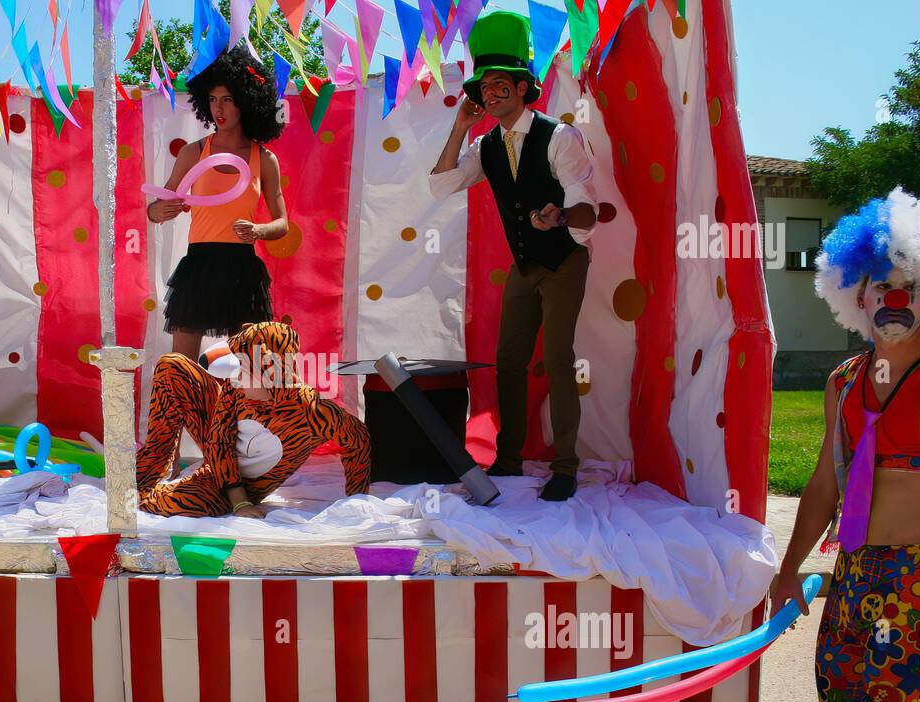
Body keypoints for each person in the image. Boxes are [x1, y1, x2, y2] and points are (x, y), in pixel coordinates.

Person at [771, 188, 920, 702]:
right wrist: (789, 568)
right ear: (856, 297)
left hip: (918, 580)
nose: (893, 298)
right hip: (852, 570)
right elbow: (823, 485)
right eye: (878, 286)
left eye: (906, 286)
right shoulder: (843, 382)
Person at [429, 9, 597, 502]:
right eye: (484, 88)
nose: (491, 95)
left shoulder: (560, 137)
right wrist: (460, 126)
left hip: (565, 258)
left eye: (501, 85)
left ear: (524, 87)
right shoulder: (484, 147)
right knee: (508, 361)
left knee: (558, 358)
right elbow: (440, 187)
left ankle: (565, 466)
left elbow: (589, 211)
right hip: (526, 266)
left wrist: (560, 218)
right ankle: (508, 456)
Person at [137, 321, 371, 517]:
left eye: (242, 370)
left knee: (162, 504)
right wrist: (240, 504)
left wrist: (356, 499)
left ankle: (159, 494)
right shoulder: (235, 387)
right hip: (220, 457)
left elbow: (358, 439)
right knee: (172, 365)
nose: (232, 377)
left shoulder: (311, 411)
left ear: (268, 370)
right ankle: (151, 468)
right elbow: (220, 442)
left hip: (241, 483)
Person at [148, 45, 289, 361]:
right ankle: (185, 412)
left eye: (227, 99)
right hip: (198, 266)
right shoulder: (193, 152)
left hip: (243, 269)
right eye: (212, 99)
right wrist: (159, 210)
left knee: (252, 371)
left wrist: (259, 230)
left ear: (247, 103)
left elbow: (283, 223)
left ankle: (245, 414)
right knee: (182, 370)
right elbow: (157, 209)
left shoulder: (265, 159)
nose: (218, 109)